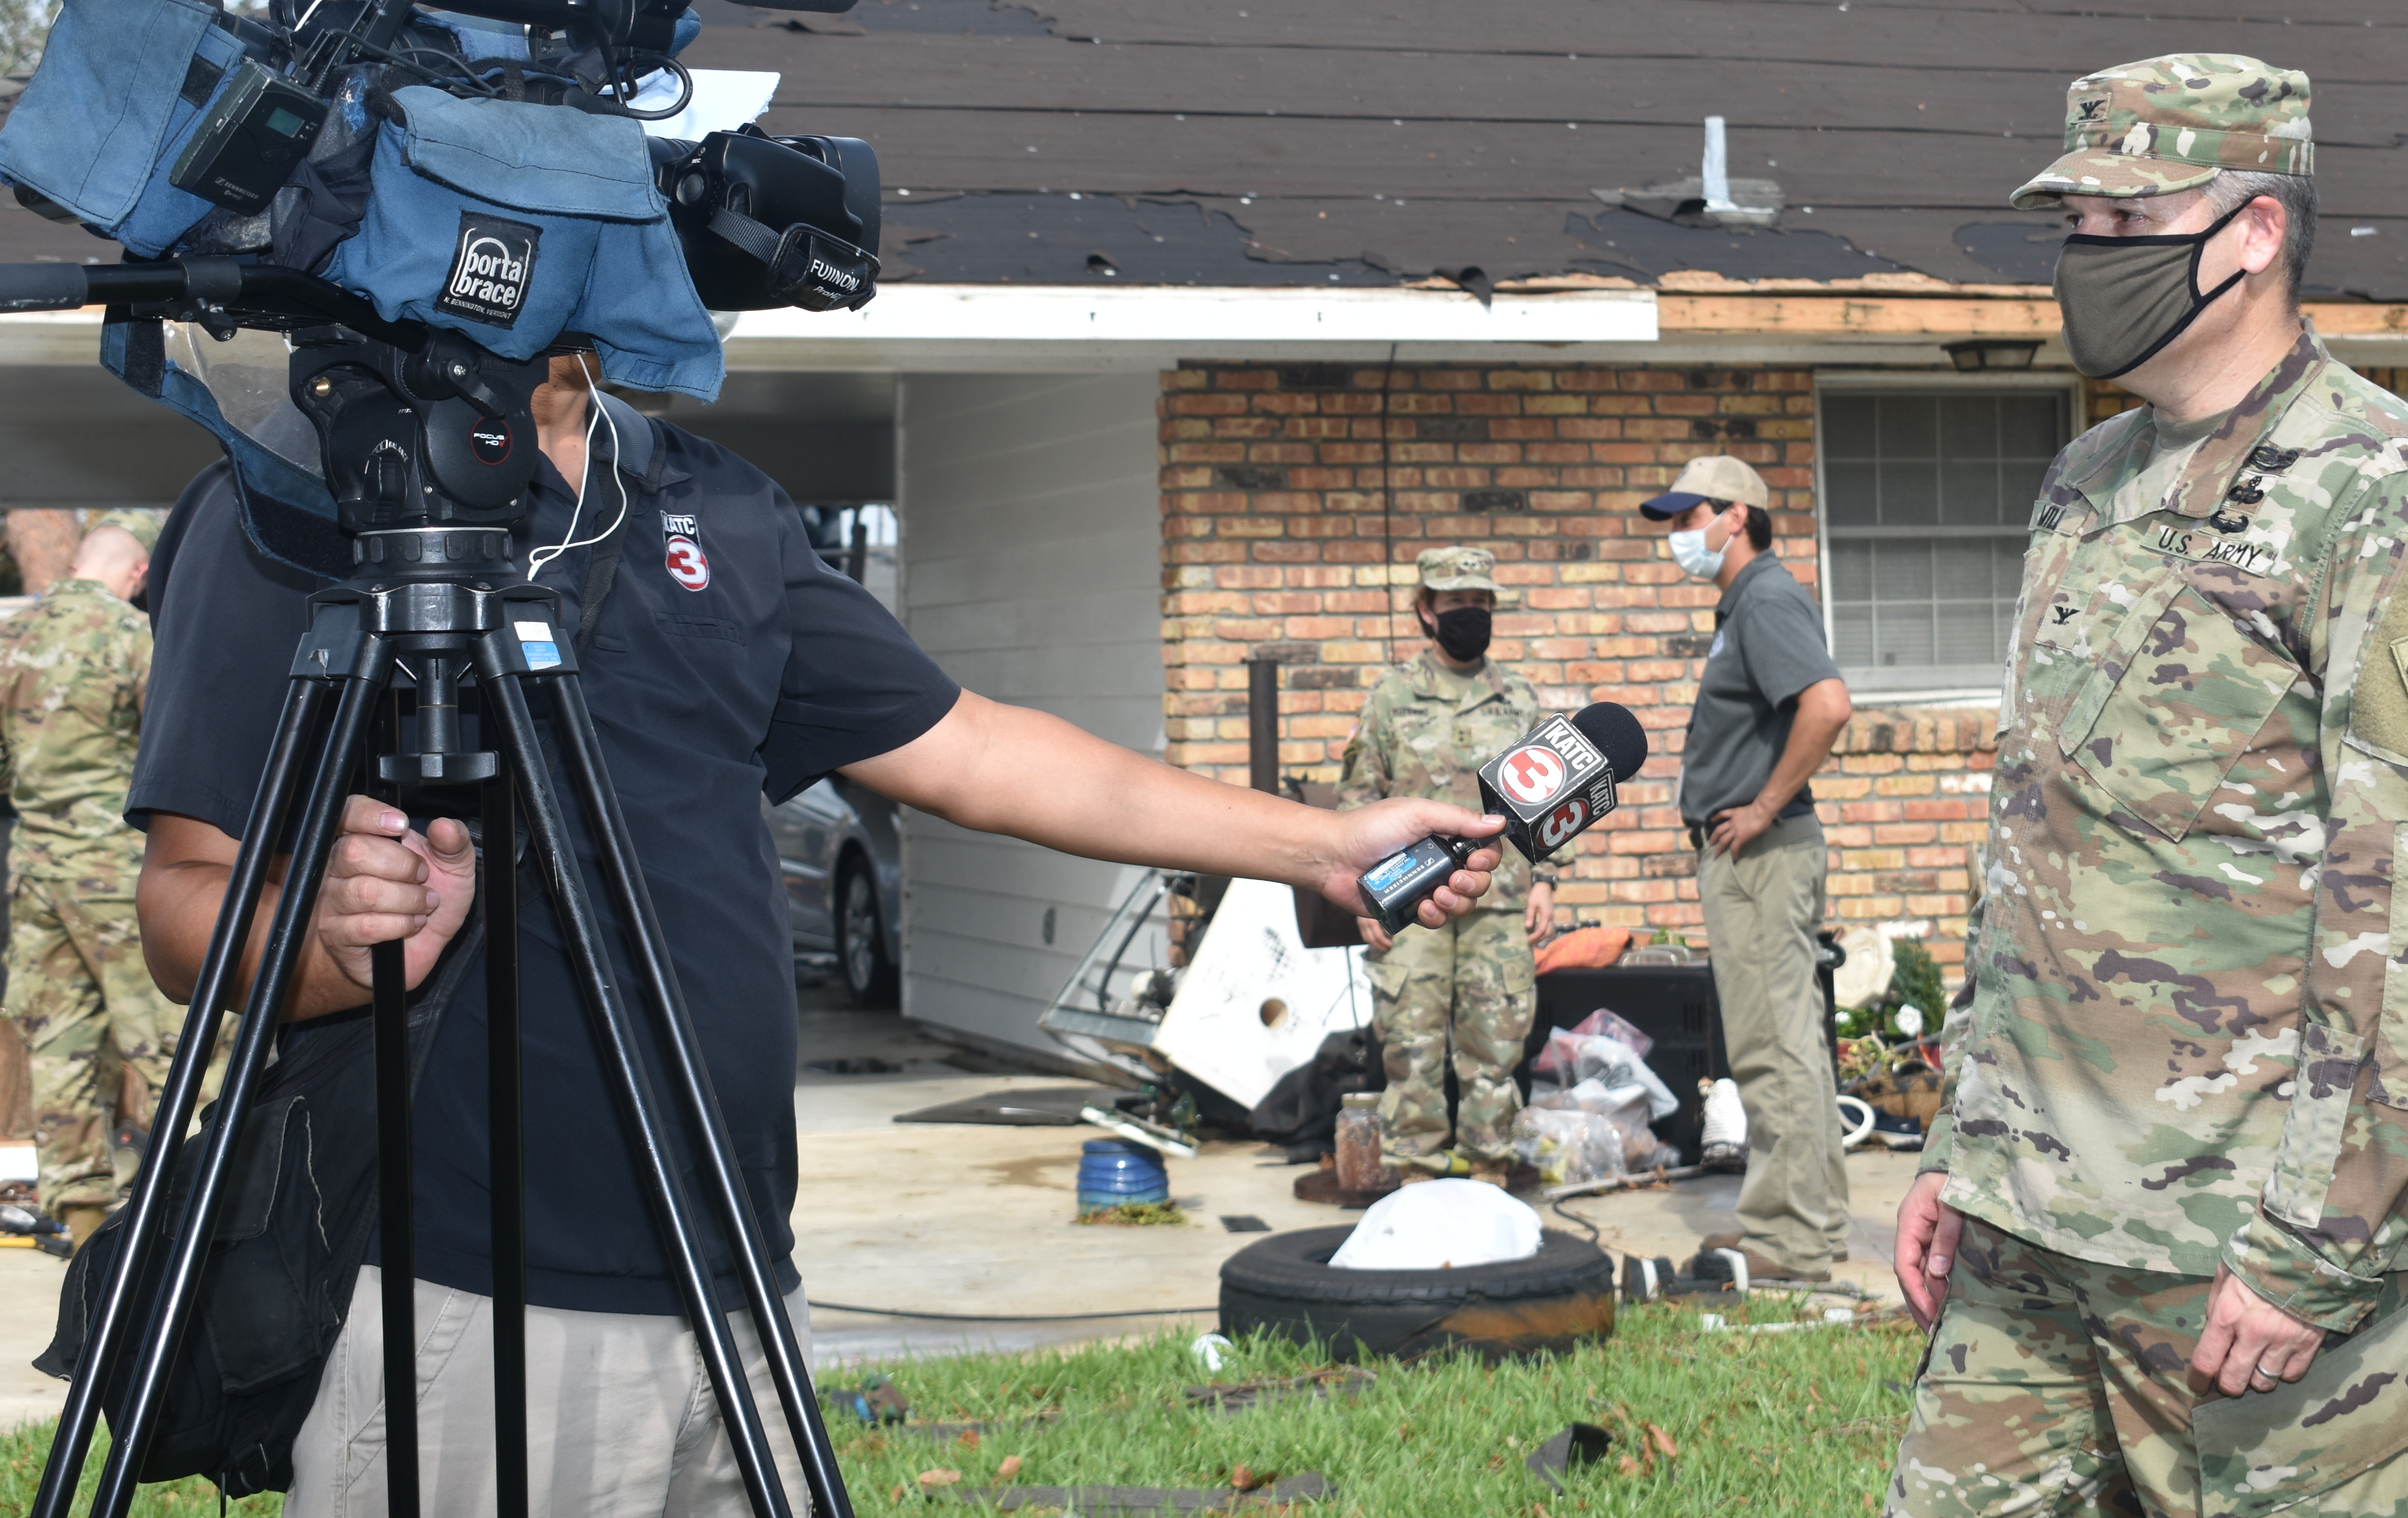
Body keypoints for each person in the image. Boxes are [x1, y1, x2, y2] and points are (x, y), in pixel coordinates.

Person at [131, 352, 1504, 1518]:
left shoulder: (709, 502)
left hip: (739, 1284)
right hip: (470, 1297)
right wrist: (328, 934)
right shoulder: (300, 500)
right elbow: (185, 906)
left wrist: (1324, 844)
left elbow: (974, 750)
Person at [1888, 55, 2408, 1518]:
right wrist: (1959, 1143)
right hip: (2028, 1231)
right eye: (2079, 225)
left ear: (2253, 233)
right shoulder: (2088, 482)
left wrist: (2321, 1240)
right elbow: (2038, 857)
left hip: (2248, 1245)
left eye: (2128, 221)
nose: (2088, 258)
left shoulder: (2394, 492)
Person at [1637, 454, 1853, 1281]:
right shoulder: (1751, 601)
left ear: (1737, 517)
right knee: (1787, 1044)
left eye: (1690, 518)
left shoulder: (1765, 596)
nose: (1680, 535)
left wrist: (1763, 806)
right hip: (1755, 857)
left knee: (1774, 1048)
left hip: (1760, 854)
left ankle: (1792, 1244)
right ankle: (1804, 1225)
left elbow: (1827, 704)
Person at [1338, 546, 1569, 1186]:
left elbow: (1550, 796)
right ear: (1424, 611)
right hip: (1413, 901)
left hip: (1500, 898)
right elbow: (1359, 797)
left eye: (1480, 603)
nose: (1470, 613)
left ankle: (1490, 1174)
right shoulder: (1391, 696)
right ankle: (1414, 1179)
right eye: (1455, 603)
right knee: (1410, 1043)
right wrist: (1365, 899)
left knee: (1495, 1045)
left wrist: (1547, 881)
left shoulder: (1518, 696)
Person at [0, 511, 165, 1250]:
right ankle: (189, 1203)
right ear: (137, 575)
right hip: (112, 869)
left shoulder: (12, 634)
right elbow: (167, 749)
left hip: (34, 865)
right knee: (169, 1037)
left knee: (56, 1039)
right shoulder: (131, 636)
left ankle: (77, 1215)